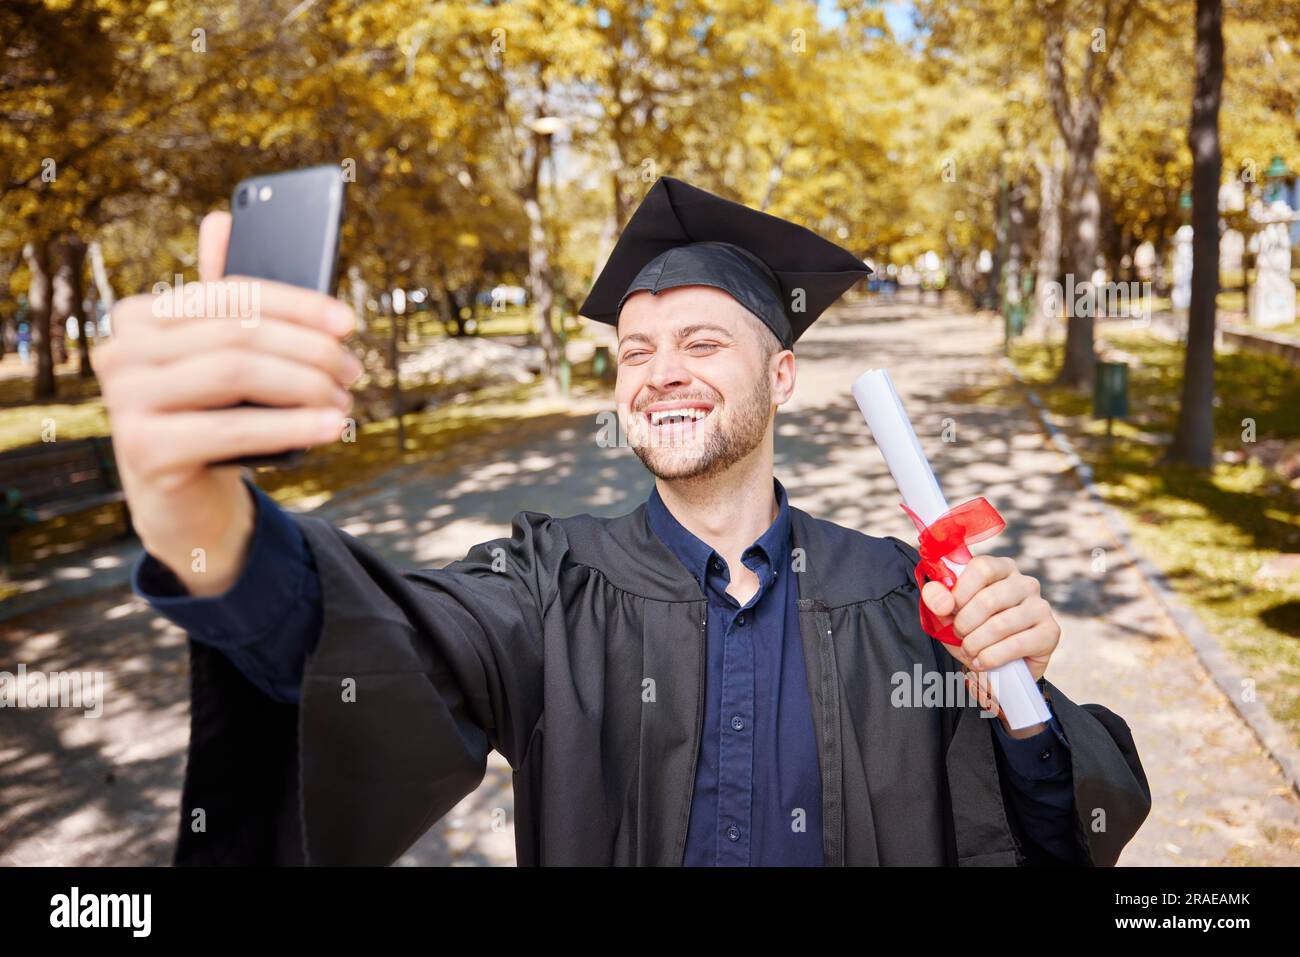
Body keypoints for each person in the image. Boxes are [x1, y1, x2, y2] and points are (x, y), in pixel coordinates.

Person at [101, 176, 1150, 866]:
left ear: (780, 376)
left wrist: (1017, 704)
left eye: (702, 342)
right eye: (636, 352)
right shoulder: (550, 584)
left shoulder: (895, 597)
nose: (662, 375)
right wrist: (201, 515)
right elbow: (372, 644)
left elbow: (1052, 837)